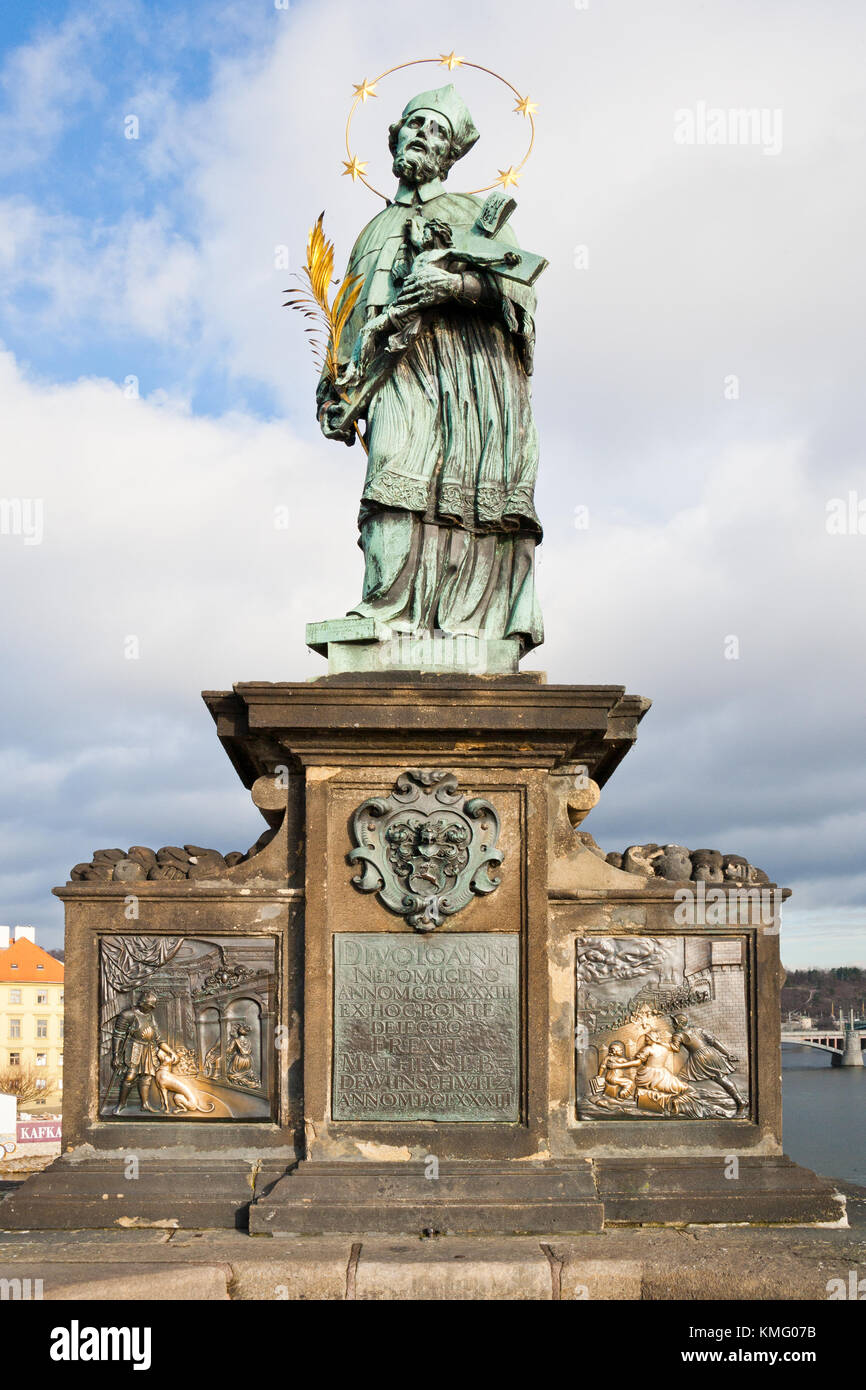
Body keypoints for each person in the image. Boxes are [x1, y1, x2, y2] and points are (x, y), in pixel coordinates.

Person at [317, 84, 543, 653]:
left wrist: (453, 284)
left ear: (450, 154)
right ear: (395, 137)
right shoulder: (371, 230)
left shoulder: (473, 213)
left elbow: (518, 294)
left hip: (466, 376)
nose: (423, 135)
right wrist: (335, 386)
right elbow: (347, 315)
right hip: (394, 368)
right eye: (415, 124)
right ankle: (385, 607)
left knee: (462, 486)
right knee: (392, 469)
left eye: (438, 131)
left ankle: (467, 622)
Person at [669, 1013, 746, 1111]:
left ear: (679, 1024)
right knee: (721, 1078)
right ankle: (740, 1100)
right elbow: (714, 1042)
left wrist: (662, 1042)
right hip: (711, 1053)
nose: (673, 1025)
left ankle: (678, 1103)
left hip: (699, 1057)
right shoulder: (699, 1030)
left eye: (674, 1022)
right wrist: (727, 1054)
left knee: (682, 1078)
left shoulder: (678, 1035)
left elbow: (675, 1048)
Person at [110, 987, 164, 1114]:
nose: (152, 1009)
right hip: (134, 1047)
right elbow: (118, 1035)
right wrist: (116, 1055)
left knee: (147, 1076)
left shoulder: (149, 1015)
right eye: (150, 1006)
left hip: (148, 1048)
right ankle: (122, 1104)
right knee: (130, 1075)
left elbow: (156, 1032)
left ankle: (145, 1103)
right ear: (142, 1004)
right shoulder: (128, 1015)